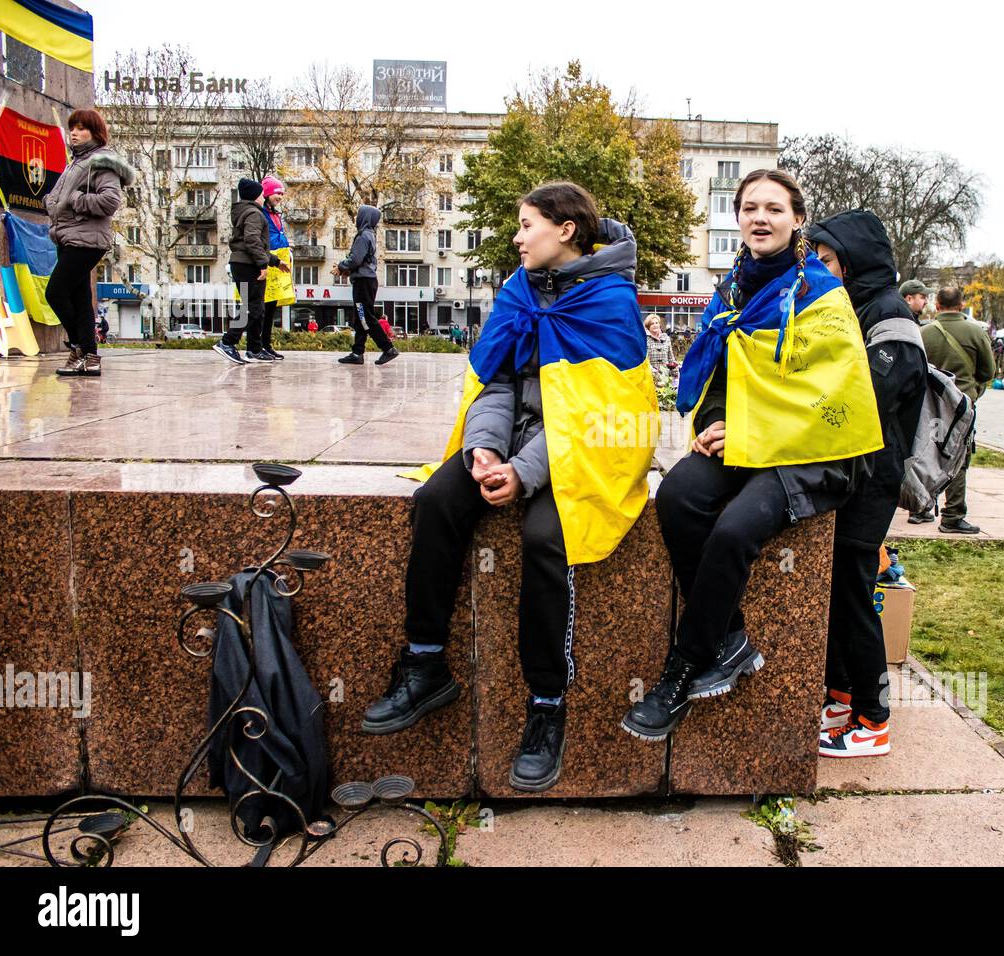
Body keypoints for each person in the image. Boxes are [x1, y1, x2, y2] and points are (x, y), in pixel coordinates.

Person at [362, 182, 655, 793]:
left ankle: (547, 704)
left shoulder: (610, 302)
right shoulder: (519, 291)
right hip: (511, 443)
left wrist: (524, 472)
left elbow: (595, 418)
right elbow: (493, 379)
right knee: (438, 500)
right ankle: (424, 663)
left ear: (565, 230)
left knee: (549, 535)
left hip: (586, 451)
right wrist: (486, 449)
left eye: (527, 225)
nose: (517, 238)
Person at [621, 169, 882, 742]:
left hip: (808, 451)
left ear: (797, 220)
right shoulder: (731, 288)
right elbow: (721, 370)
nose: (760, 218)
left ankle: (681, 668)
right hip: (743, 439)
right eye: (749, 208)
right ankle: (730, 637)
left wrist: (743, 428)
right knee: (679, 496)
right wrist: (716, 421)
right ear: (737, 217)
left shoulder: (822, 292)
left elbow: (826, 395)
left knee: (735, 528)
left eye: (774, 208)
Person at [810, 209, 927, 758]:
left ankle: (873, 719)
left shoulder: (890, 314)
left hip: (871, 479)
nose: (821, 267)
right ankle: (841, 696)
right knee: (837, 591)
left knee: (856, 596)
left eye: (829, 259)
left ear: (854, 260)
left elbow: (873, 393)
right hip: (849, 475)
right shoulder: (856, 307)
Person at [44, 108, 134, 377]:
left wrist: (74, 201)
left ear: (95, 133)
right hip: (69, 237)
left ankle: (80, 348)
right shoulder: (76, 161)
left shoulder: (102, 161)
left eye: (81, 128)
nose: (74, 132)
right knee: (80, 298)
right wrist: (50, 201)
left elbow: (109, 201)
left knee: (56, 293)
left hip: (87, 240)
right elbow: (60, 197)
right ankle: (90, 356)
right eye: (72, 127)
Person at [921, 286, 994, 534]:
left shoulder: (923, 332)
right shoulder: (976, 332)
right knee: (958, 458)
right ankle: (952, 514)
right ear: (961, 305)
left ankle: (918, 507)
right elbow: (988, 372)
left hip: (928, 405)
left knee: (920, 453)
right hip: (962, 405)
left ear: (937, 306)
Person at [216, 178, 278, 365]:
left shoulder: (245, 212)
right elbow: (252, 240)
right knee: (254, 308)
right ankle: (227, 342)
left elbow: (250, 242)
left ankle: (253, 350)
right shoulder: (254, 213)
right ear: (255, 196)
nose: (263, 197)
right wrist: (262, 265)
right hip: (248, 266)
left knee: (254, 308)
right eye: (261, 194)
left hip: (241, 264)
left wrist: (276, 261)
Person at [333, 205, 399, 366]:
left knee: (365, 317)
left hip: (363, 282)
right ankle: (357, 352)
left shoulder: (363, 236)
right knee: (361, 317)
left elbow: (356, 259)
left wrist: (341, 267)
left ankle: (388, 348)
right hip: (366, 281)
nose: (356, 218)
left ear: (365, 217)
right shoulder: (370, 234)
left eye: (359, 215)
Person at [257, 176, 294, 361]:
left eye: (281, 193)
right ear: (267, 194)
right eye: (276, 192)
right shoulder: (261, 213)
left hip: (278, 261)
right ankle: (258, 346)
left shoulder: (275, 214)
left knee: (271, 307)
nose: (279, 196)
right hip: (267, 261)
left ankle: (266, 345)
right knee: (262, 307)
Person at [644, 313, 673, 386]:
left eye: (656, 323)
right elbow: (645, 361)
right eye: (652, 324)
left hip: (666, 377)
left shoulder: (666, 338)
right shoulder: (644, 339)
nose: (655, 325)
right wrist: (654, 374)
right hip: (650, 379)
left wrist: (675, 373)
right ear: (648, 327)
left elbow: (671, 357)